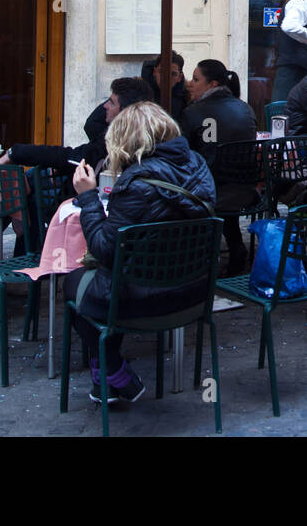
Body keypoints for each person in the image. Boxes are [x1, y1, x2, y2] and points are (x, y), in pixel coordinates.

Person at [63, 102, 216, 404]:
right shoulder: (198, 164)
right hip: (193, 293)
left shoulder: (136, 184)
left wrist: (88, 197)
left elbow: (104, 250)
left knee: (73, 283)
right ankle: (106, 377)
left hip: (148, 302)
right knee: (112, 278)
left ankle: (112, 370)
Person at [180, 60, 258, 275]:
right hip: (247, 190)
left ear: (212, 84)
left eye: (196, 79)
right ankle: (235, 248)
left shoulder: (195, 112)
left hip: (212, 193)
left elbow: (187, 155)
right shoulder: (246, 108)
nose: (190, 84)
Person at [3, 77, 150, 172]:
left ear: (125, 113)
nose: (105, 106)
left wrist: (15, 152)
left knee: (32, 177)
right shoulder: (143, 137)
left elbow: (70, 156)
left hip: (95, 209)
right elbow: (92, 124)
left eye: (111, 102)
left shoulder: (117, 142)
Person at [140, 50, 188, 121]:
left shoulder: (186, 98)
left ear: (179, 77)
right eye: (161, 72)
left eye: (173, 74)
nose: (166, 78)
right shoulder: (141, 94)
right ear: (155, 72)